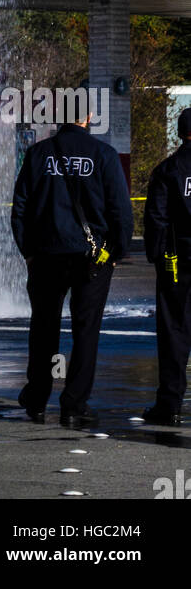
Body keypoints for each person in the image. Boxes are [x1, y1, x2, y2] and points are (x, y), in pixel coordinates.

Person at [11, 84, 133, 428]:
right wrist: (115, 253)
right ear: (89, 118)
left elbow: (19, 208)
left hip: (46, 256)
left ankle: (37, 397)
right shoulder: (104, 155)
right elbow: (120, 213)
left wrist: (28, 253)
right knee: (86, 330)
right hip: (91, 257)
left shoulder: (38, 155)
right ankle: (74, 403)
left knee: (44, 328)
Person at [142, 106, 191, 426]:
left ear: (179, 132)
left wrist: (158, 257)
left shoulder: (168, 170)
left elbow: (157, 219)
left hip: (178, 260)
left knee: (174, 330)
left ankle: (170, 403)